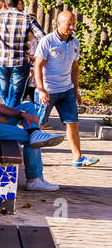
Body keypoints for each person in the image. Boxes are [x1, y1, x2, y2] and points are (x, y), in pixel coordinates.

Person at [0, 50, 63, 192]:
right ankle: (34, 179)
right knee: (29, 139)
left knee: (28, 107)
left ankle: (35, 133)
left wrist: (21, 114)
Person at [34, 9, 99, 168]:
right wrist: (41, 89)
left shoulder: (75, 42)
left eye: (74, 24)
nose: (72, 27)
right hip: (48, 91)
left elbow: (75, 68)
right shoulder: (47, 41)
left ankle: (78, 158)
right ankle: (28, 156)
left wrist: (76, 90)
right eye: (69, 24)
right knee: (37, 126)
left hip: (67, 90)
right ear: (58, 23)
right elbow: (38, 65)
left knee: (72, 124)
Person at [0, 0, 43, 108]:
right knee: (15, 96)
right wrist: (33, 56)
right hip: (21, 62)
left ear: (6, 4)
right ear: (19, 3)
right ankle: (10, 118)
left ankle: (8, 117)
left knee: (5, 94)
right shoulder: (28, 19)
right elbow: (43, 38)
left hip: (1, 62)